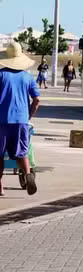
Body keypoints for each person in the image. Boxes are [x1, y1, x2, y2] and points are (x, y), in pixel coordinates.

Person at [0, 43, 41, 196]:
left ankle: (1, 188)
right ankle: (28, 174)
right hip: (21, 121)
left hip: (1, 121)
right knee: (21, 153)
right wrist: (27, 116)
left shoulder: (0, 75)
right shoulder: (27, 77)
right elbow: (36, 100)